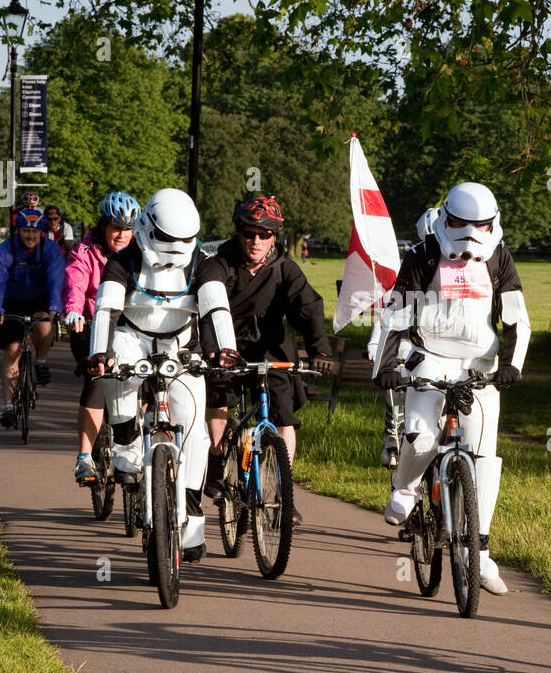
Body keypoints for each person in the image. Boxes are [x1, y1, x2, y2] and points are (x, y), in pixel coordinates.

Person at [372, 183, 531, 596]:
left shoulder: (499, 258)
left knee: (485, 459)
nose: (470, 234)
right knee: (422, 438)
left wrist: (513, 365)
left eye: (479, 225)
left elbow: (515, 318)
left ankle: (478, 549)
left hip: (480, 365)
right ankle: (406, 486)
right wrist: (386, 366)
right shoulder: (423, 255)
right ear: (446, 218)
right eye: (461, 224)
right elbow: (398, 311)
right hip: (431, 357)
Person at [88, 188, 239, 562]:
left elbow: (216, 308)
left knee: (195, 434)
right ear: (149, 229)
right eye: (169, 239)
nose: (176, 247)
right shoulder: (123, 262)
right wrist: (98, 354)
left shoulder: (204, 264)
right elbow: (106, 309)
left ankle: (189, 512)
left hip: (180, 347)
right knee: (117, 365)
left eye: (183, 240)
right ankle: (125, 441)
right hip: (132, 338)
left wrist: (225, 348)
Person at [201, 196, 336, 523]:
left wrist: (320, 350)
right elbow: (207, 304)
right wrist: (215, 349)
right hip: (226, 345)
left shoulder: (284, 268)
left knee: (284, 418)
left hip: (271, 349)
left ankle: (284, 494)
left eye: (265, 234)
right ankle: (218, 457)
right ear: (238, 233)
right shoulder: (220, 263)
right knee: (219, 398)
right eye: (250, 233)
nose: (256, 241)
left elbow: (309, 309)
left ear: (275, 236)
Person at [62, 192, 140, 483]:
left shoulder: (139, 254)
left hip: (129, 327)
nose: (122, 235)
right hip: (90, 323)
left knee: (143, 377)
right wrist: (73, 311)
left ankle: (135, 443)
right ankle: (84, 457)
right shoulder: (85, 252)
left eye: (128, 229)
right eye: (116, 228)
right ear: (103, 226)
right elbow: (76, 283)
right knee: (98, 376)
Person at [367, 206, 440, 469]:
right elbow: (393, 311)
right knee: (397, 393)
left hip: (437, 347)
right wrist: (377, 345)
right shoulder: (414, 264)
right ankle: (393, 440)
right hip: (406, 346)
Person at [0, 207, 65, 424]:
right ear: (18, 231)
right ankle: (8, 406)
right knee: (12, 350)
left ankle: (41, 361)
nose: (30, 236)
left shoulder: (50, 250)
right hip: (11, 301)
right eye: (25, 231)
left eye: (35, 232)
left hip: (40, 299)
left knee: (43, 323)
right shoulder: (6, 250)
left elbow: (55, 280)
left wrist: (54, 309)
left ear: (41, 232)